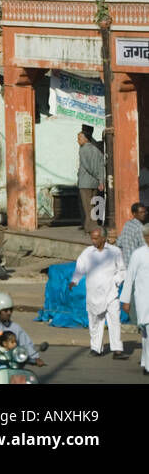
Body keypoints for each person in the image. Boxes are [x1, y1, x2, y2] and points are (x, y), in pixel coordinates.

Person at [70, 225, 127, 358]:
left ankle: (117, 349)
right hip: (93, 294)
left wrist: (116, 281)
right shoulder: (87, 252)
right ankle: (96, 348)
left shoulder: (115, 251)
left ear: (103, 238)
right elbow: (79, 269)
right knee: (94, 321)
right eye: (92, 238)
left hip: (111, 293)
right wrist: (74, 281)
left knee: (114, 321)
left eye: (96, 238)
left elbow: (123, 270)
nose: (93, 241)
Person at [120, 228, 149, 375]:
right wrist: (126, 300)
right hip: (143, 300)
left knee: (147, 334)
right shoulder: (138, 254)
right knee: (146, 332)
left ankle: (147, 363)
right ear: (146, 237)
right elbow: (129, 278)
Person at [77, 126, 106, 233]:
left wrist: (97, 177)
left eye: (79, 138)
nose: (78, 141)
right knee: (92, 206)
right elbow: (101, 166)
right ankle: (92, 226)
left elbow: (88, 166)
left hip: (85, 182)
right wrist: (100, 181)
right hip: (95, 183)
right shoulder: (96, 150)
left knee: (87, 207)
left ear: (86, 139)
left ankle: (91, 228)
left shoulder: (83, 150)